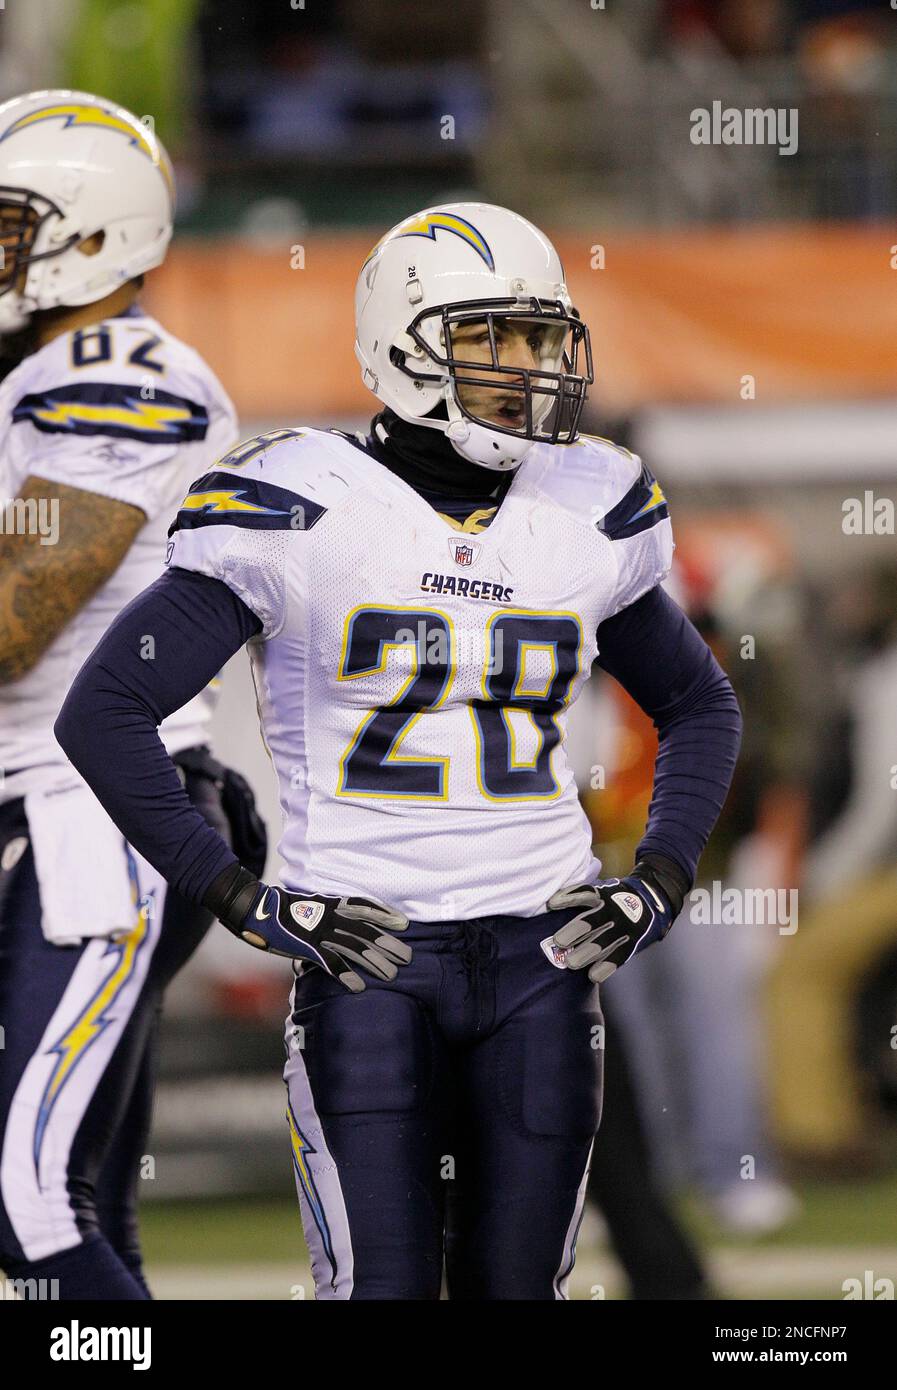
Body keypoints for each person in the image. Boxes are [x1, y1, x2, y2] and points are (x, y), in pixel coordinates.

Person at [57, 203, 742, 1300]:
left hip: (543, 961)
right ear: (406, 343)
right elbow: (105, 710)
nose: (530, 365)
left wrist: (658, 879)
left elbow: (703, 705)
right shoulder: (298, 501)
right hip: (368, 960)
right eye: (494, 338)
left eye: (541, 336)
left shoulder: (587, 502)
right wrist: (242, 895)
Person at [0, 90, 262, 1300]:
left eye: (11, 226)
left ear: (92, 235)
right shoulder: (38, 370)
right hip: (48, 816)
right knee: (82, 1193)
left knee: (25, 1199)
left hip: (91, 817)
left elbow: (17, 615)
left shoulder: (121, 370)